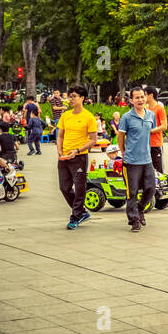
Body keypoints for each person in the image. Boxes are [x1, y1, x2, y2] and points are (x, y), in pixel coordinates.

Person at [56, 86, 98, 229]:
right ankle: (81, 212)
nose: (70, 99)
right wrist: (59, 151)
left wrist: (77, 150)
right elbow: (60, 135)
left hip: (79, 157)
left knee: (80, 187)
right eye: (69, 96)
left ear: (82, 98)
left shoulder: (88, 117)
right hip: (64, 157)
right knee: (64, 187)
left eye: (73, 96)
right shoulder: (65, 115)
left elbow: (93, 140)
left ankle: (75, 216)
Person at [116, 88, 158, 232]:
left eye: (142, 97)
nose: (140, 100)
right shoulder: (126, 117)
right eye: (137, 98)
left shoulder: (151, 115)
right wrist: (123, 152)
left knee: (151, 188)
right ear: (131, 100)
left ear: (146, 98)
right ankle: (134, 220)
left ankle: (139, 209)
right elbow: (120, 137)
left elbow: (150, 133)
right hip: (131, 162)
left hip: (147, 160)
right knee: (132, 192)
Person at [143, 85, 168, 173]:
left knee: (158, 168)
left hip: (156, 143)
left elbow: (164, 126)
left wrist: (150, 131)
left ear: (151, 95)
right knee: (146, 168)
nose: (143, 97)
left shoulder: (159, 109)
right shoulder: (145, 109)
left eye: (145, 95)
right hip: (145, 143)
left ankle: (161, 185)